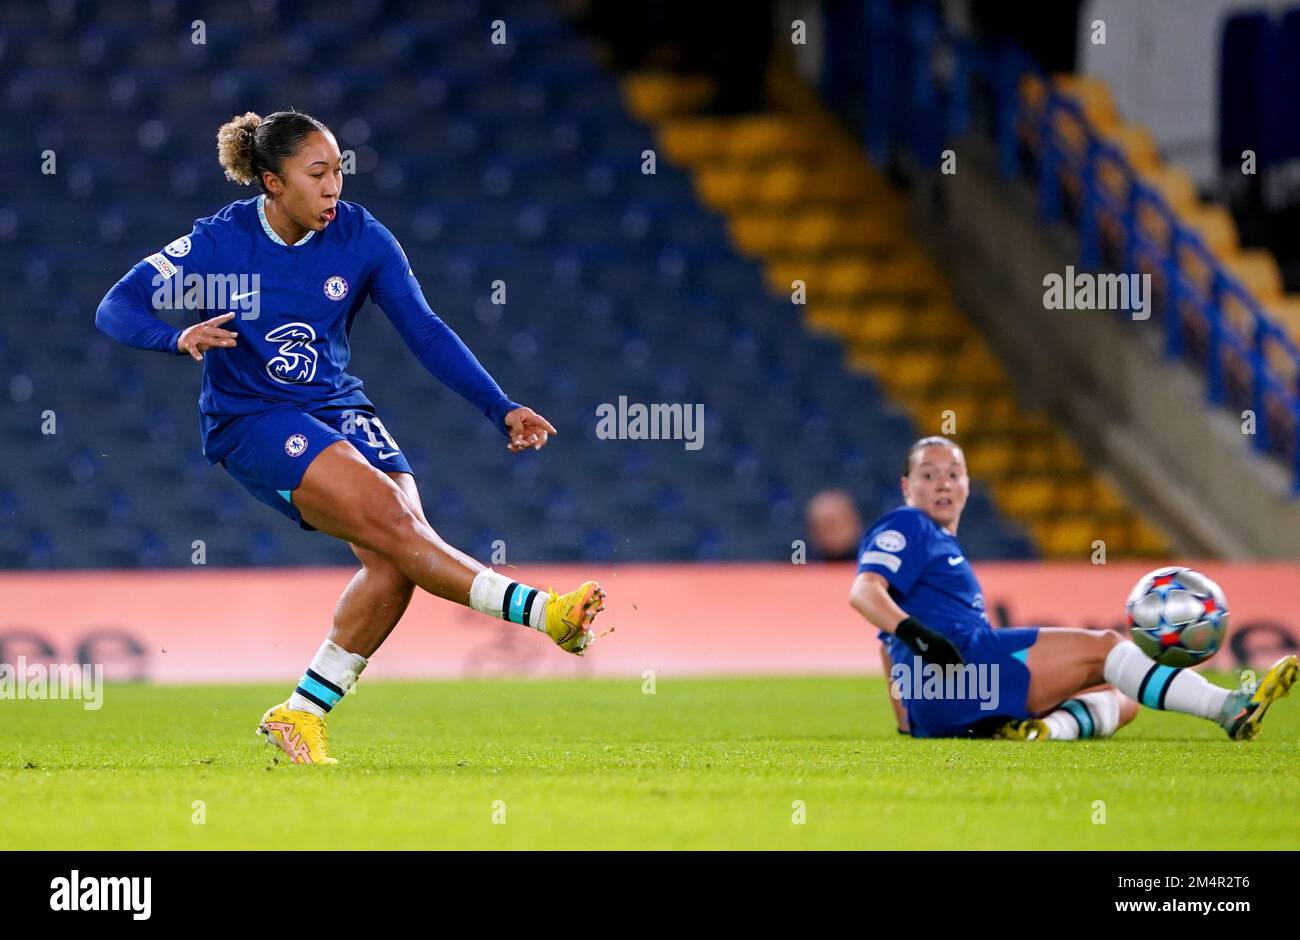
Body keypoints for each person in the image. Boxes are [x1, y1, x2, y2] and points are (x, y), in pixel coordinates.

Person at [95, 110, 606, 764]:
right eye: (318, 173)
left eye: (339, 170)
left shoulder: (362, 237)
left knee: (398, 556)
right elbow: (117, 306)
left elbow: (424, 330)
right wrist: (175, 336)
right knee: (395, 523)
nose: (334, 186)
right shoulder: (217, 243)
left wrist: (498, 407)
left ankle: (301, 713)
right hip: (252, 419)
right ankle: (545, 614)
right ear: (272, 183)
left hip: (339, 408)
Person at [848, 435, 1297, 740]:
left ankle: (1044, 734)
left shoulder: (937, 545)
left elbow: (883, 639)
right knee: (1105, 647)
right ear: (907, 487)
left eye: (954, 473)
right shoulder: (908, 523)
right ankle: (1228, 708)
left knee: (1120, 699)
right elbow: (865, 592)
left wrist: (909, 721)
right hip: (965, 666)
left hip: (946, 698)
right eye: (929, 474)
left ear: (967, 484)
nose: (943, 482)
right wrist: (923, 639)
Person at [805, 489, 864, 562]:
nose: (833, 530)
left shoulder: (873, 564)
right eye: (826, 524)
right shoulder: (801, 566)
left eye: (837, 522)